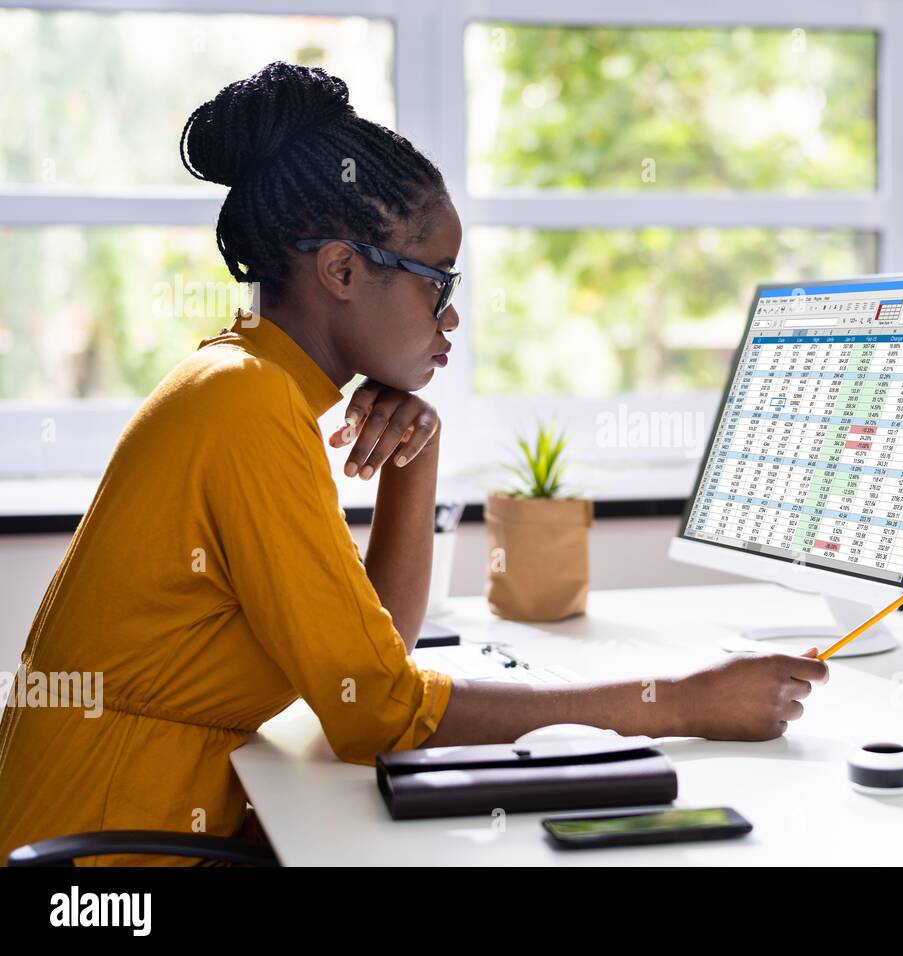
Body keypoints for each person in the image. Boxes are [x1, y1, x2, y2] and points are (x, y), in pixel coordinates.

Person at [0, 62, 828, 866]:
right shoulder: (245, 408)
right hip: (113, 864)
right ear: (343, 270)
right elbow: (380, 715)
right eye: (438, 281)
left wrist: (413, 460)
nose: (452, 316)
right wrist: (680, 703)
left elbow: (373, 668)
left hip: (143, 826)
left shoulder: (246, 385)